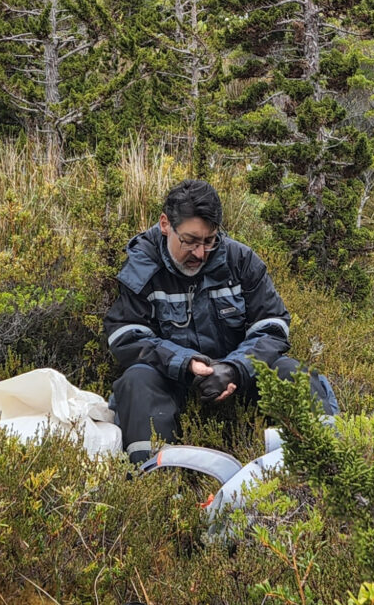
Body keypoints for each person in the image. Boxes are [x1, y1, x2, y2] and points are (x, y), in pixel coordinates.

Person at [103, 179, 334, 465]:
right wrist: (186, 364)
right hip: (173, 381)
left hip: (239, 378)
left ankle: (320, 469)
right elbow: (126, 335)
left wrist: (235, 368)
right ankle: (154, 480)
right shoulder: (142, 266)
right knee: (136, 382)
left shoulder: (240, 260)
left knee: (294, 375)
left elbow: (273, 325)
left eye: (209, 241)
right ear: (165, 225)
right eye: (189, 241)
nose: (200, 253)